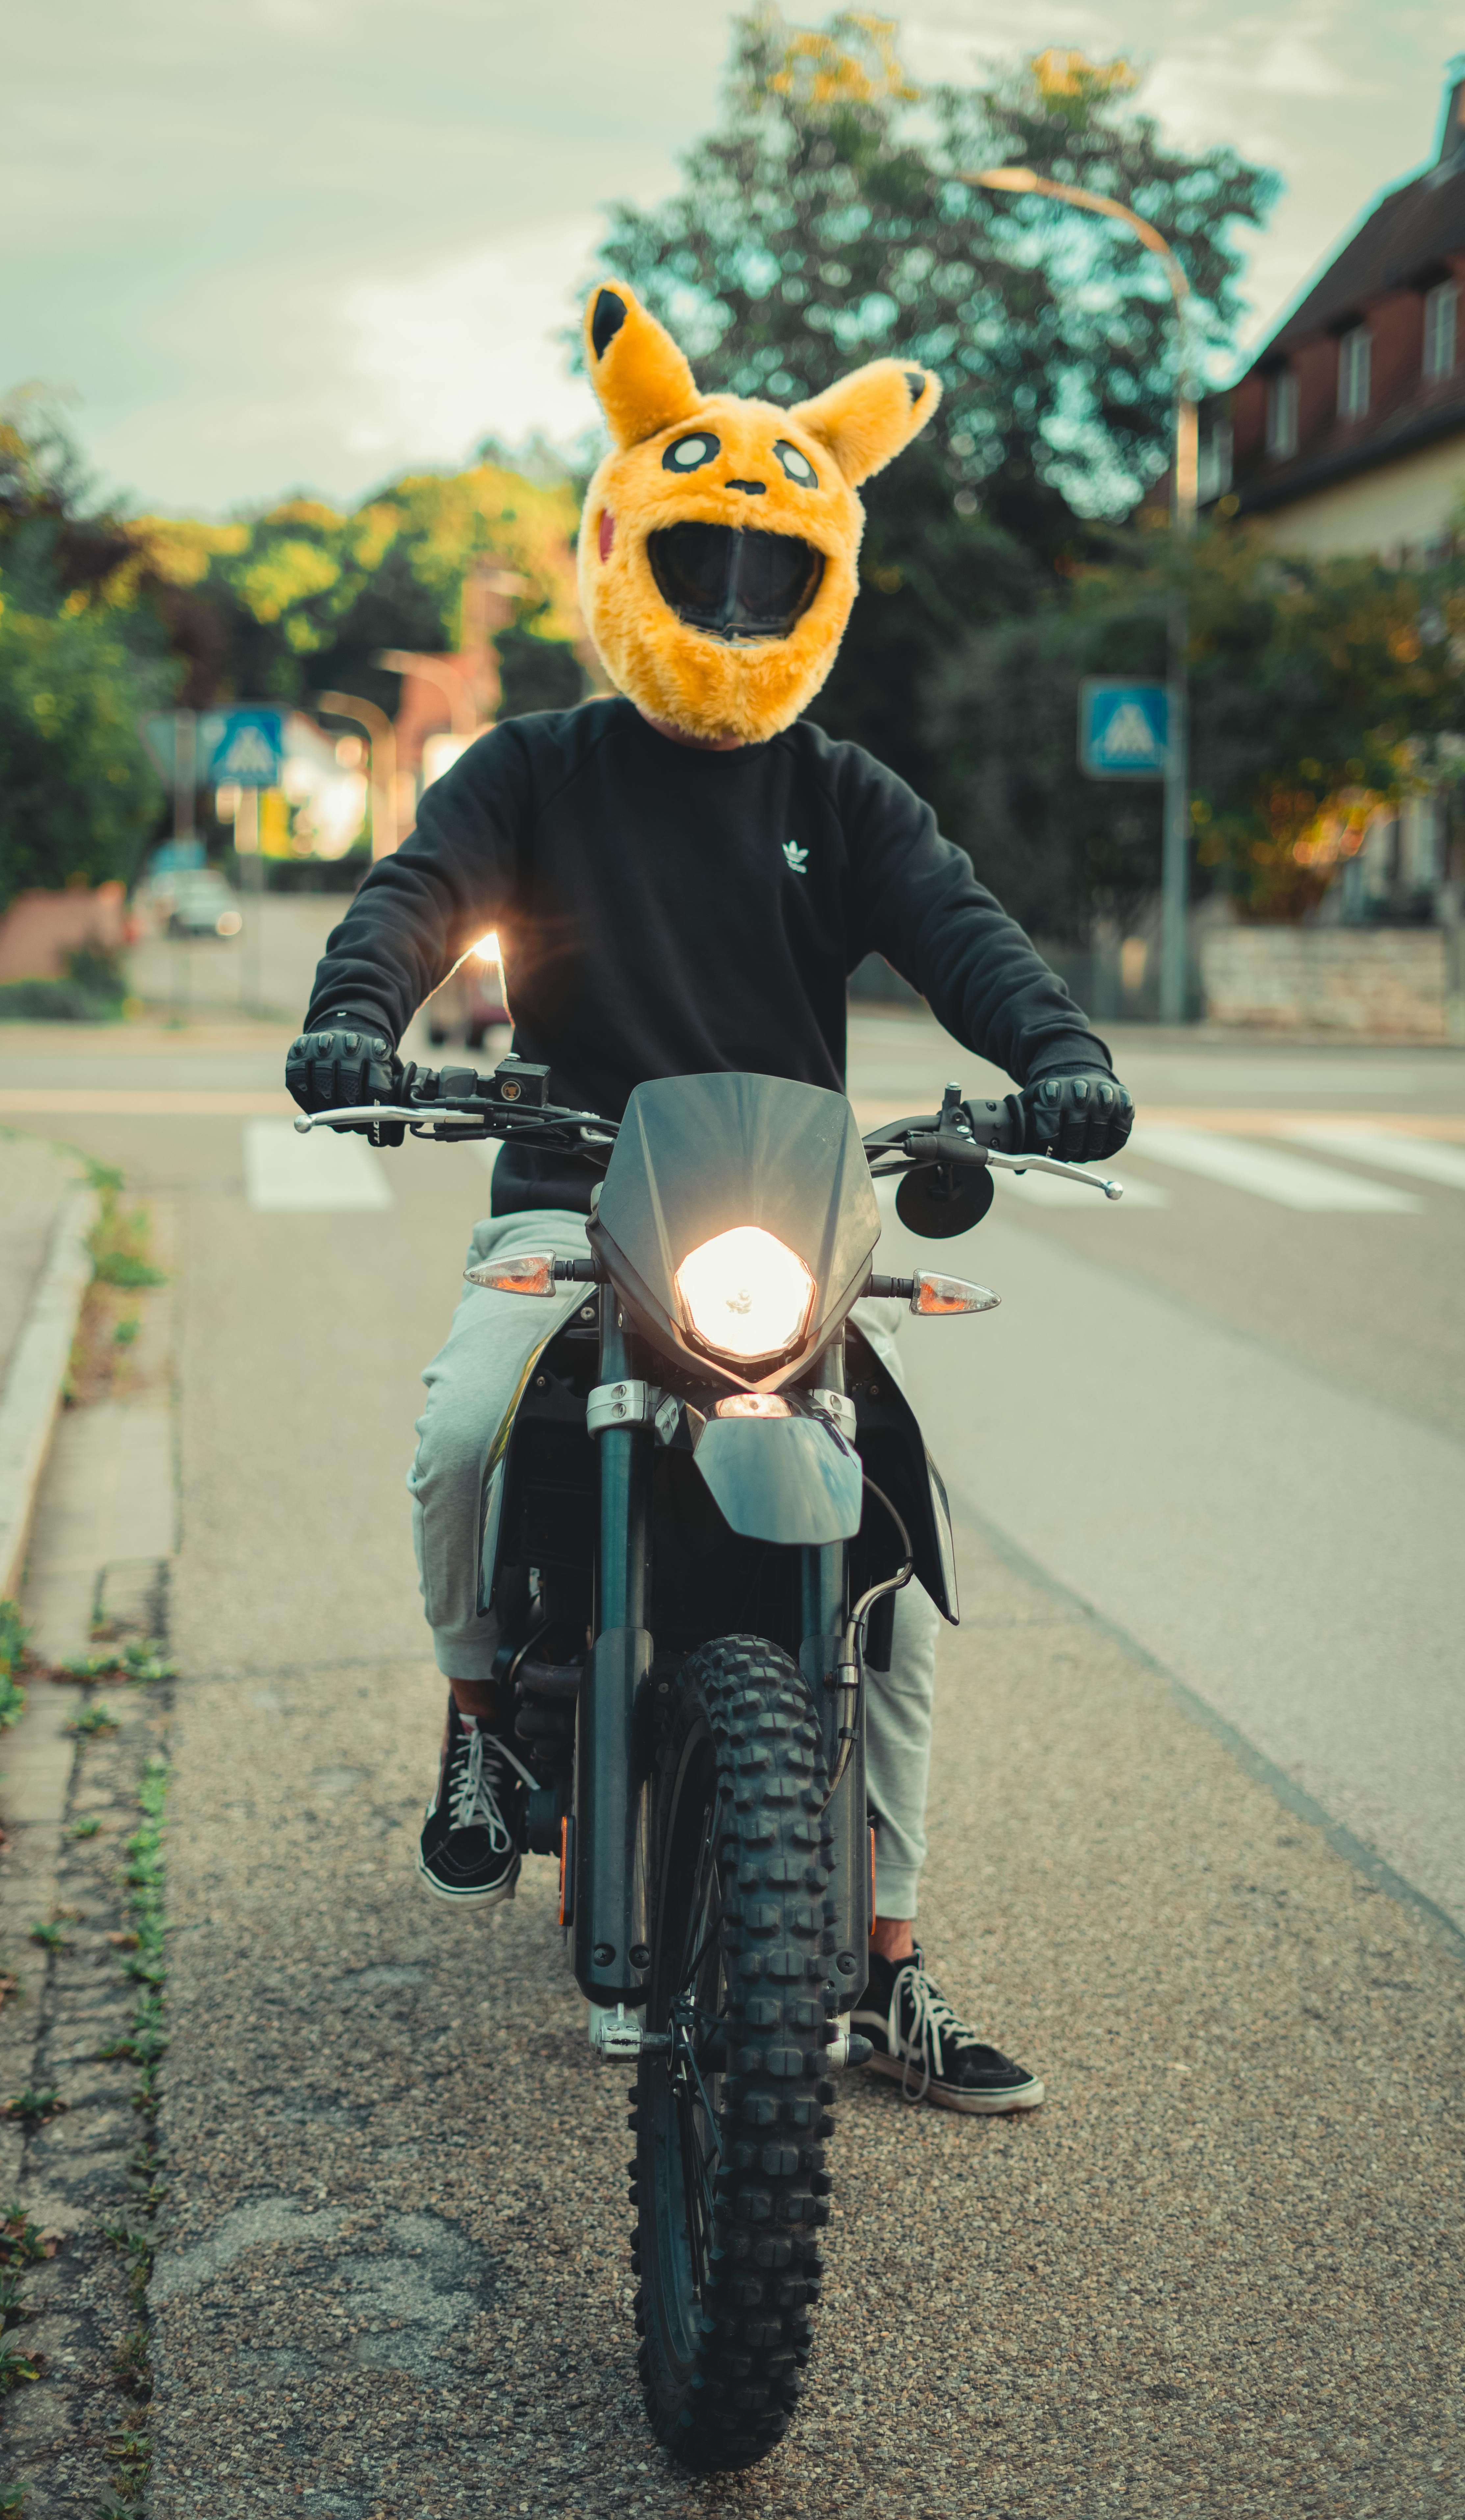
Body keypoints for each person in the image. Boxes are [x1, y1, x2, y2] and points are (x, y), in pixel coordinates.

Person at [286, 280, 1134, 2116]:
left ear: (821, 582)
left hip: (785, 1219)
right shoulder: (535, 768)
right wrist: (358, 1015)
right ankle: (475, 1717)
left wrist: (1059, 1055)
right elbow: (418, 895)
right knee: (458, 1430)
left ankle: (888, 1958)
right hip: (568, 1194)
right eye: (705, 561)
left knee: (891, 1570)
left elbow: (966, 935)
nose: (737, 599)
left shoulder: (846, 793)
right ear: (626, 550)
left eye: (773, 570)